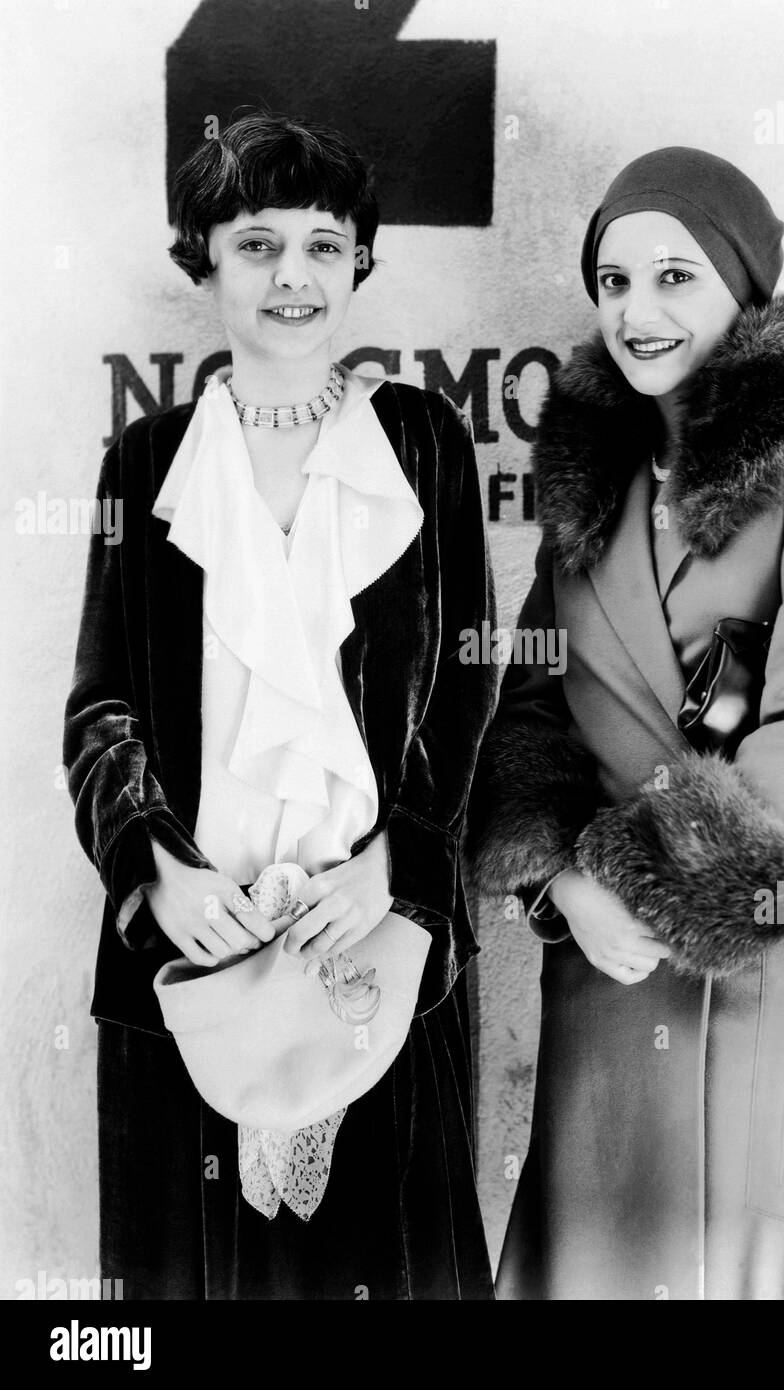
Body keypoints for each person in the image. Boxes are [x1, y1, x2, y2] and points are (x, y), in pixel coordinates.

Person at [63, 113, 496, 1300]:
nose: (292, 275)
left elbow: (466, 681)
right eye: (256, 244)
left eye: (323, 243)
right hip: (196, 955)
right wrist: (157, 869)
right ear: (201, 261)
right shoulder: (142, 465)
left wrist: (399, 870)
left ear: (360, 260)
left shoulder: (423, 439)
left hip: (378, 942)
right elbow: (100, 708)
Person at [467, 147, 784, 1300]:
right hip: (606, 979)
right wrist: (560, 884)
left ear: (741, 289)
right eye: (612, 279)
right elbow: (529, 710)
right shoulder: (586, 482)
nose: (634, 309)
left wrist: (640, 880)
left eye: (672, 276)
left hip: (768, 953)